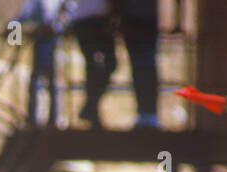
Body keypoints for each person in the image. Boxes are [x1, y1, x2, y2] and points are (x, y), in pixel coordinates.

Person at [69, 0, 160, 129]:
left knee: (100, 65)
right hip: (91, 20)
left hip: (96, 20)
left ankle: (91, 106)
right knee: (97, 65)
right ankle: (91, 107)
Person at [15, 0, 70, 127]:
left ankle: (54, 120)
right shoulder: (35, 2)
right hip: (41, 44)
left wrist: (56, 27)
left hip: (55, 44)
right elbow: (22, 17)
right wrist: (13, 37)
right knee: (37, 81)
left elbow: (69, 15)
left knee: (53, 81)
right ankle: (33, 120)